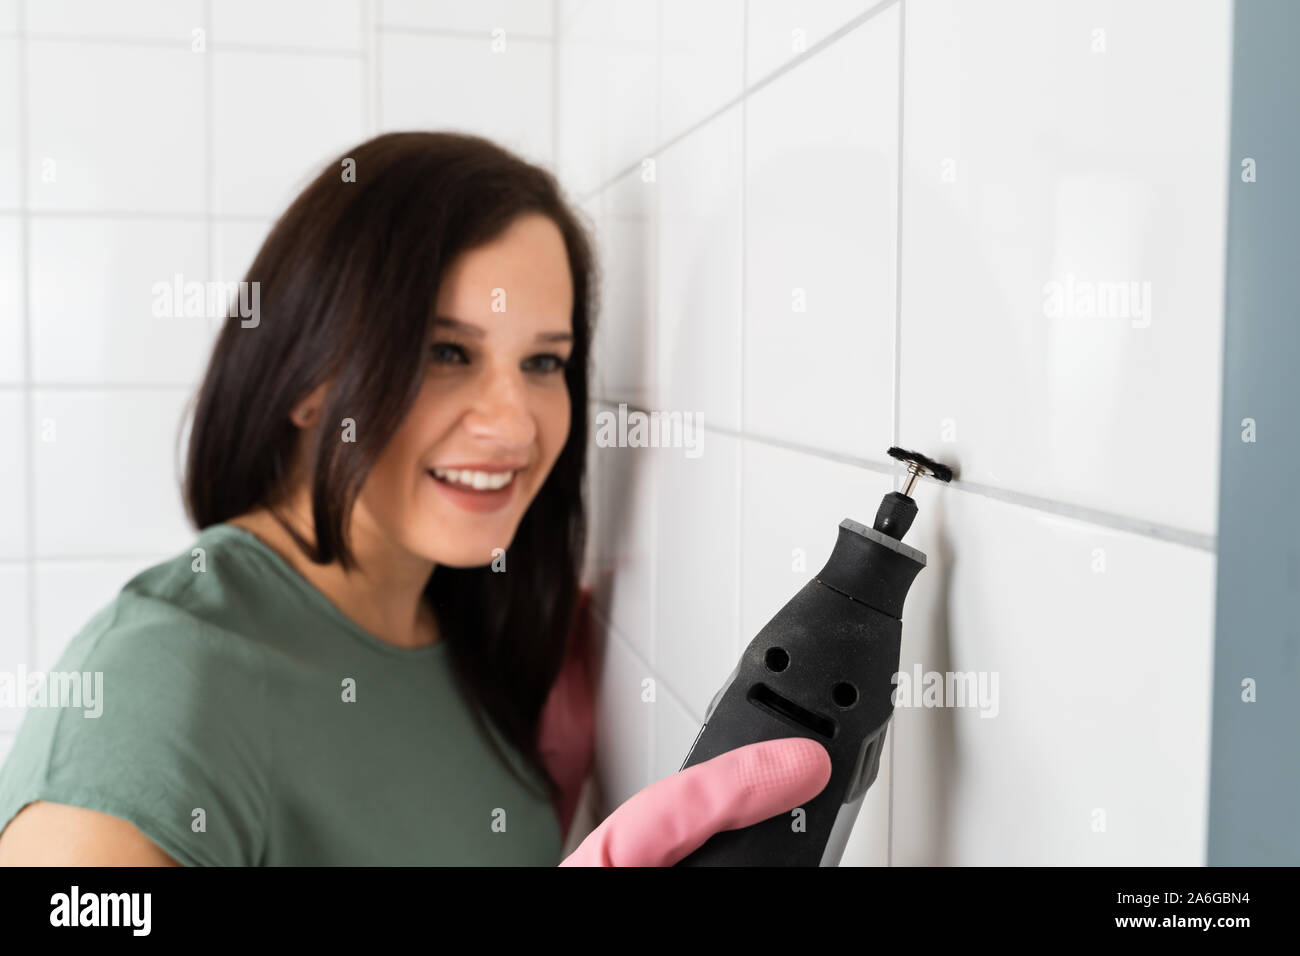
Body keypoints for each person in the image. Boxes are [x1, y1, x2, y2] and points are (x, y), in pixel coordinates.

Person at [0, 131, 829, 866]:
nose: (513, 425)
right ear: (305, 380)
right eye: (445, 352)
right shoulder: (156, 682)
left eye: (544, 362)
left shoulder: (474, 630)